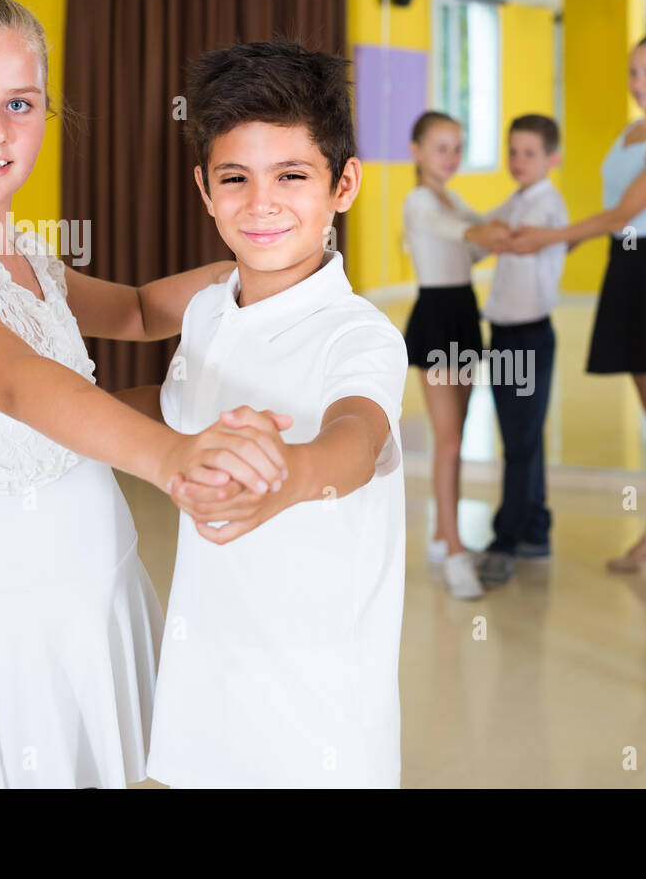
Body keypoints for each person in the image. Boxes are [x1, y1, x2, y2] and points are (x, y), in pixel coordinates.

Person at [0, 0, 282, 788]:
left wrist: (246, 271)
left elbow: (143, 309)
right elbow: (21, 385)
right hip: (6, 632)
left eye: (21, 102)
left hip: (100, 591)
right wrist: (172, 455)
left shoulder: (29, 261)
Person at [142, 41, 409, 788]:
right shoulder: (205, 310)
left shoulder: (359, 335)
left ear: (344, 184)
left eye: (292, 175)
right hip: (208, 673)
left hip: (318, 709)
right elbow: (166, 415)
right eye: (236, 178)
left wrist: (288, 476)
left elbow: (355, 440)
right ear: (204, 188)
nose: (261, 203)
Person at [509, 29, 646, 608]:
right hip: (626, 273)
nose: (641, 83)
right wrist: (556, 247)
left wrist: (552, 236)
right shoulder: (630, 133)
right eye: (634, 72)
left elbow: (623, 213)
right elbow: (611, 221)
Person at [402, 111, 508, 599]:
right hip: (437, 318)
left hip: (464, 313)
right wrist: (484, 233)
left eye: (458, 147)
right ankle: (456, 553)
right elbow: (453, 230)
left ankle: (447, 537)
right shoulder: (419, 200)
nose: (451, 157)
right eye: (441, 146)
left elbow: (475, 239)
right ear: (416, 151)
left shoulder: (454, 197)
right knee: (446, 441)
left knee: (457, 437)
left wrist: (504, 230)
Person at [475, 115, 569, 587]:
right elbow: (487, 230)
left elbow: (509, 238)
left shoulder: (546, 205)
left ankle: (504, 541)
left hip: (528, 335)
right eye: (513, 152)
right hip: (508, 334)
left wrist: (482, 232)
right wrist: (481, 231)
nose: (517, 161)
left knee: (519, 443)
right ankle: (535, 529)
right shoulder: (518, 199)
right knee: (523, 439)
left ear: (552, 159)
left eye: (529, 153)